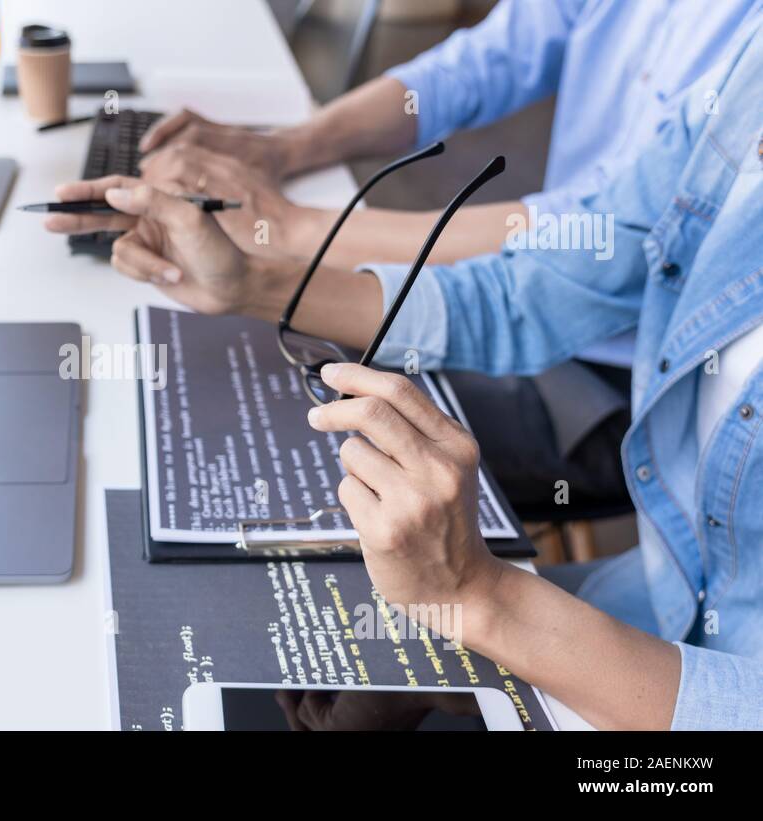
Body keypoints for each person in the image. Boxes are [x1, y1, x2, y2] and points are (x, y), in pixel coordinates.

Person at [44, 19, 763, 729]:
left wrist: (480, 599)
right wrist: (256, 282)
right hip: (648, 605)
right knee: (259, 611)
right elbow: (547, 277)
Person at [91, 0, 762, 514]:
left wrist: (291, 231)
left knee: (278, 447)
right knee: (236, 377)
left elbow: (585, 238)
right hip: (536, 294)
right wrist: (286, 154)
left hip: (619, 383)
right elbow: (486, 62)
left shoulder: (745, 60)